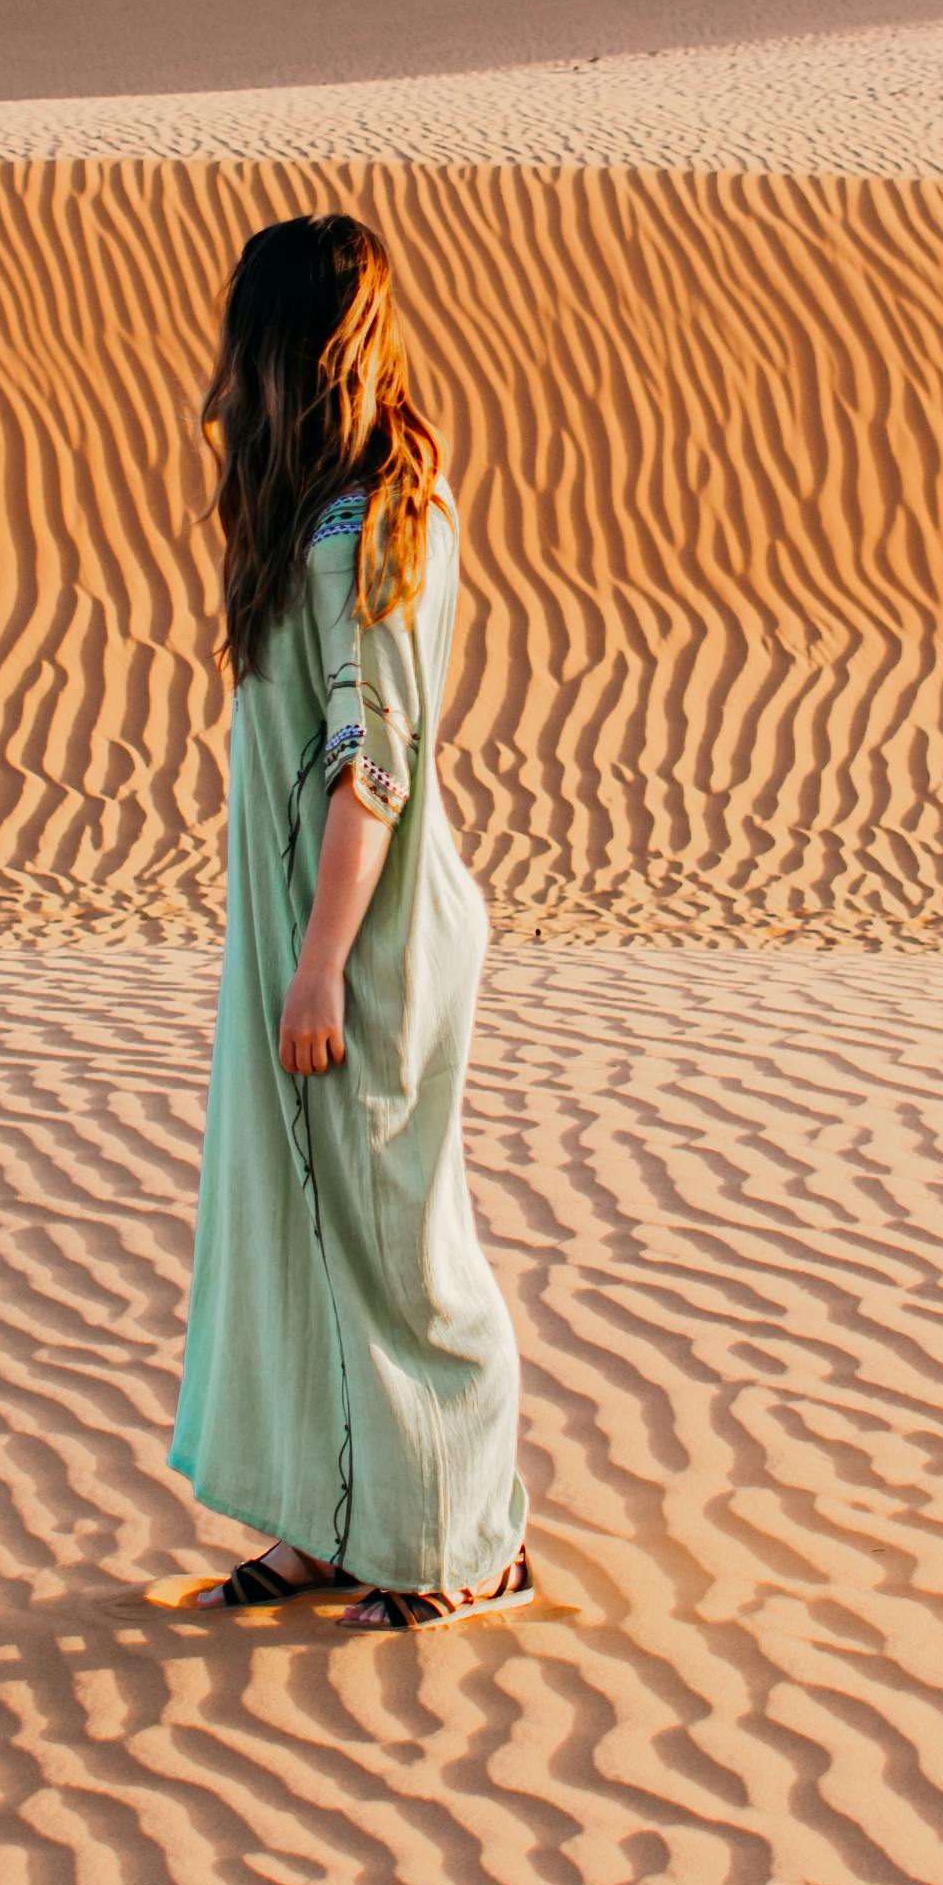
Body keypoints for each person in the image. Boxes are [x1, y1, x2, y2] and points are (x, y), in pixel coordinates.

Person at [171, 209, 533, 1633]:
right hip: (304, 928)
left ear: (283, 344)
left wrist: (322, 965)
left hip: (362, 934)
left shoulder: (373, 520)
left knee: (393, 1237)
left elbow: (367, 763)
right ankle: (330, 1523)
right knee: (298, 1220)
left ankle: (472, 1540)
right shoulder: (318, 511)